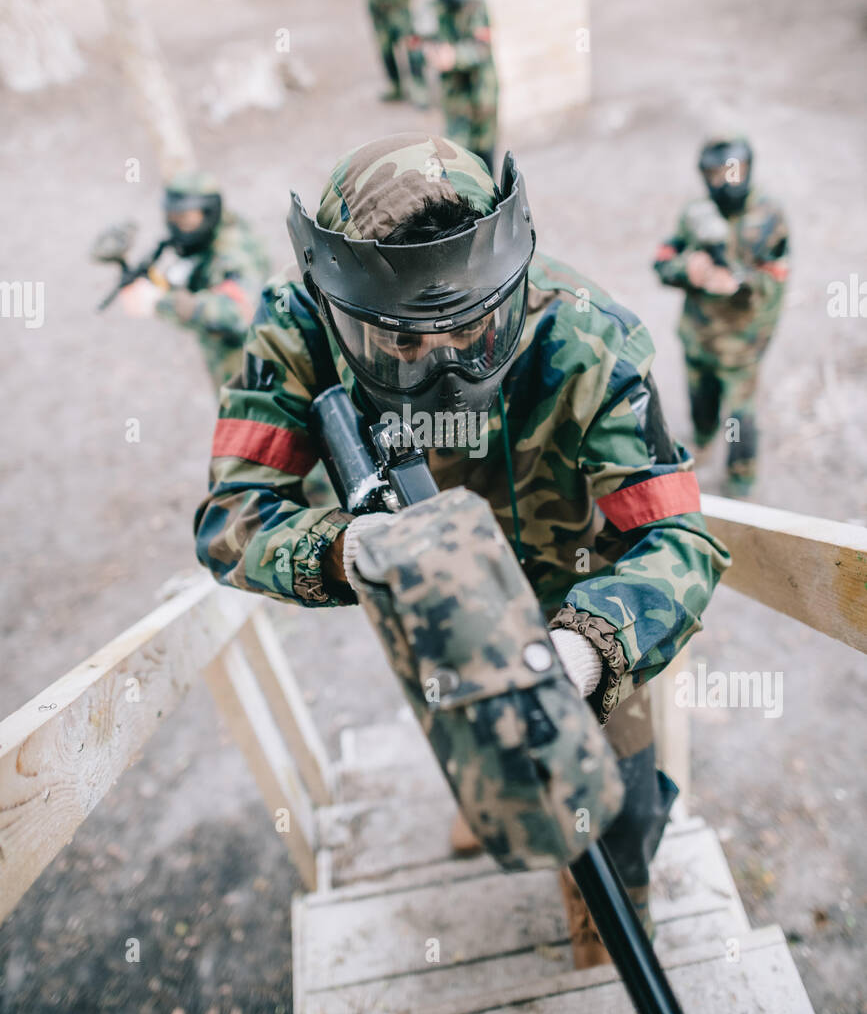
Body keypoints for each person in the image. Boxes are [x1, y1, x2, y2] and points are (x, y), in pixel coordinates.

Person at [194, 132, 730, 956]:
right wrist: (343, 551)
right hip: (430, 596)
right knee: (475, 734)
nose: (445, 366)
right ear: (337, 304)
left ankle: (600, 949)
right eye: (403, 343)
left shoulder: (582, 334)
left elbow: (673, 535)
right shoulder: (298, 331)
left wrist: (589, 650)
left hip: (574, 590)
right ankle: (479, 805)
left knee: (617, 813)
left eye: (473, 329)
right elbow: (232, 517)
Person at [654, 134, 790, 496]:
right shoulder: (696, 214)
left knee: (741, 421)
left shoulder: (769, 216)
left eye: (734, 171)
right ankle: (703, 442)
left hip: (742, 347)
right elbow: (662, 261)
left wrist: (740, 282)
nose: (727, 181)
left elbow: (777, 277)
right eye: (716, 174)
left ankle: (740, 484)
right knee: (701, 404)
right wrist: (689, 269)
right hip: (698, 339)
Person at [119, 170, 270, 393]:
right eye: (173, 217)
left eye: (187, 218)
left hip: (257, 382)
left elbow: (237, 312)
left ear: (210, 211)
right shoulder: (209, 237)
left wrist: (159, 303)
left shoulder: (233, 251)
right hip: (232, 374)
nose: (178, 226)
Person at [426, 0, 498, 175]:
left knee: (485, 151)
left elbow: (482, 47)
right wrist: (430, 52)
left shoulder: (475, 2)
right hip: (455, 95)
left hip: (482, 90)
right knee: (456, 156)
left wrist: (454, 57)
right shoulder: (434, 9)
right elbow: (419, 40)